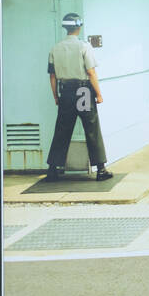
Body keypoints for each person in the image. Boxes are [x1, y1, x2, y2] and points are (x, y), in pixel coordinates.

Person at [44, 13, 112, 181]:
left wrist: (56, 96)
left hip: (65, 91)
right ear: (79, 27)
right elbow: (90, 72)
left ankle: (53, 169)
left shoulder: (55, 48)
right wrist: (99, 94)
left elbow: (52, 76)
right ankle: (101, 170)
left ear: (65, 28)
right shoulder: (84, 46)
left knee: (62, 130)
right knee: (91, 129)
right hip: (83, 92)